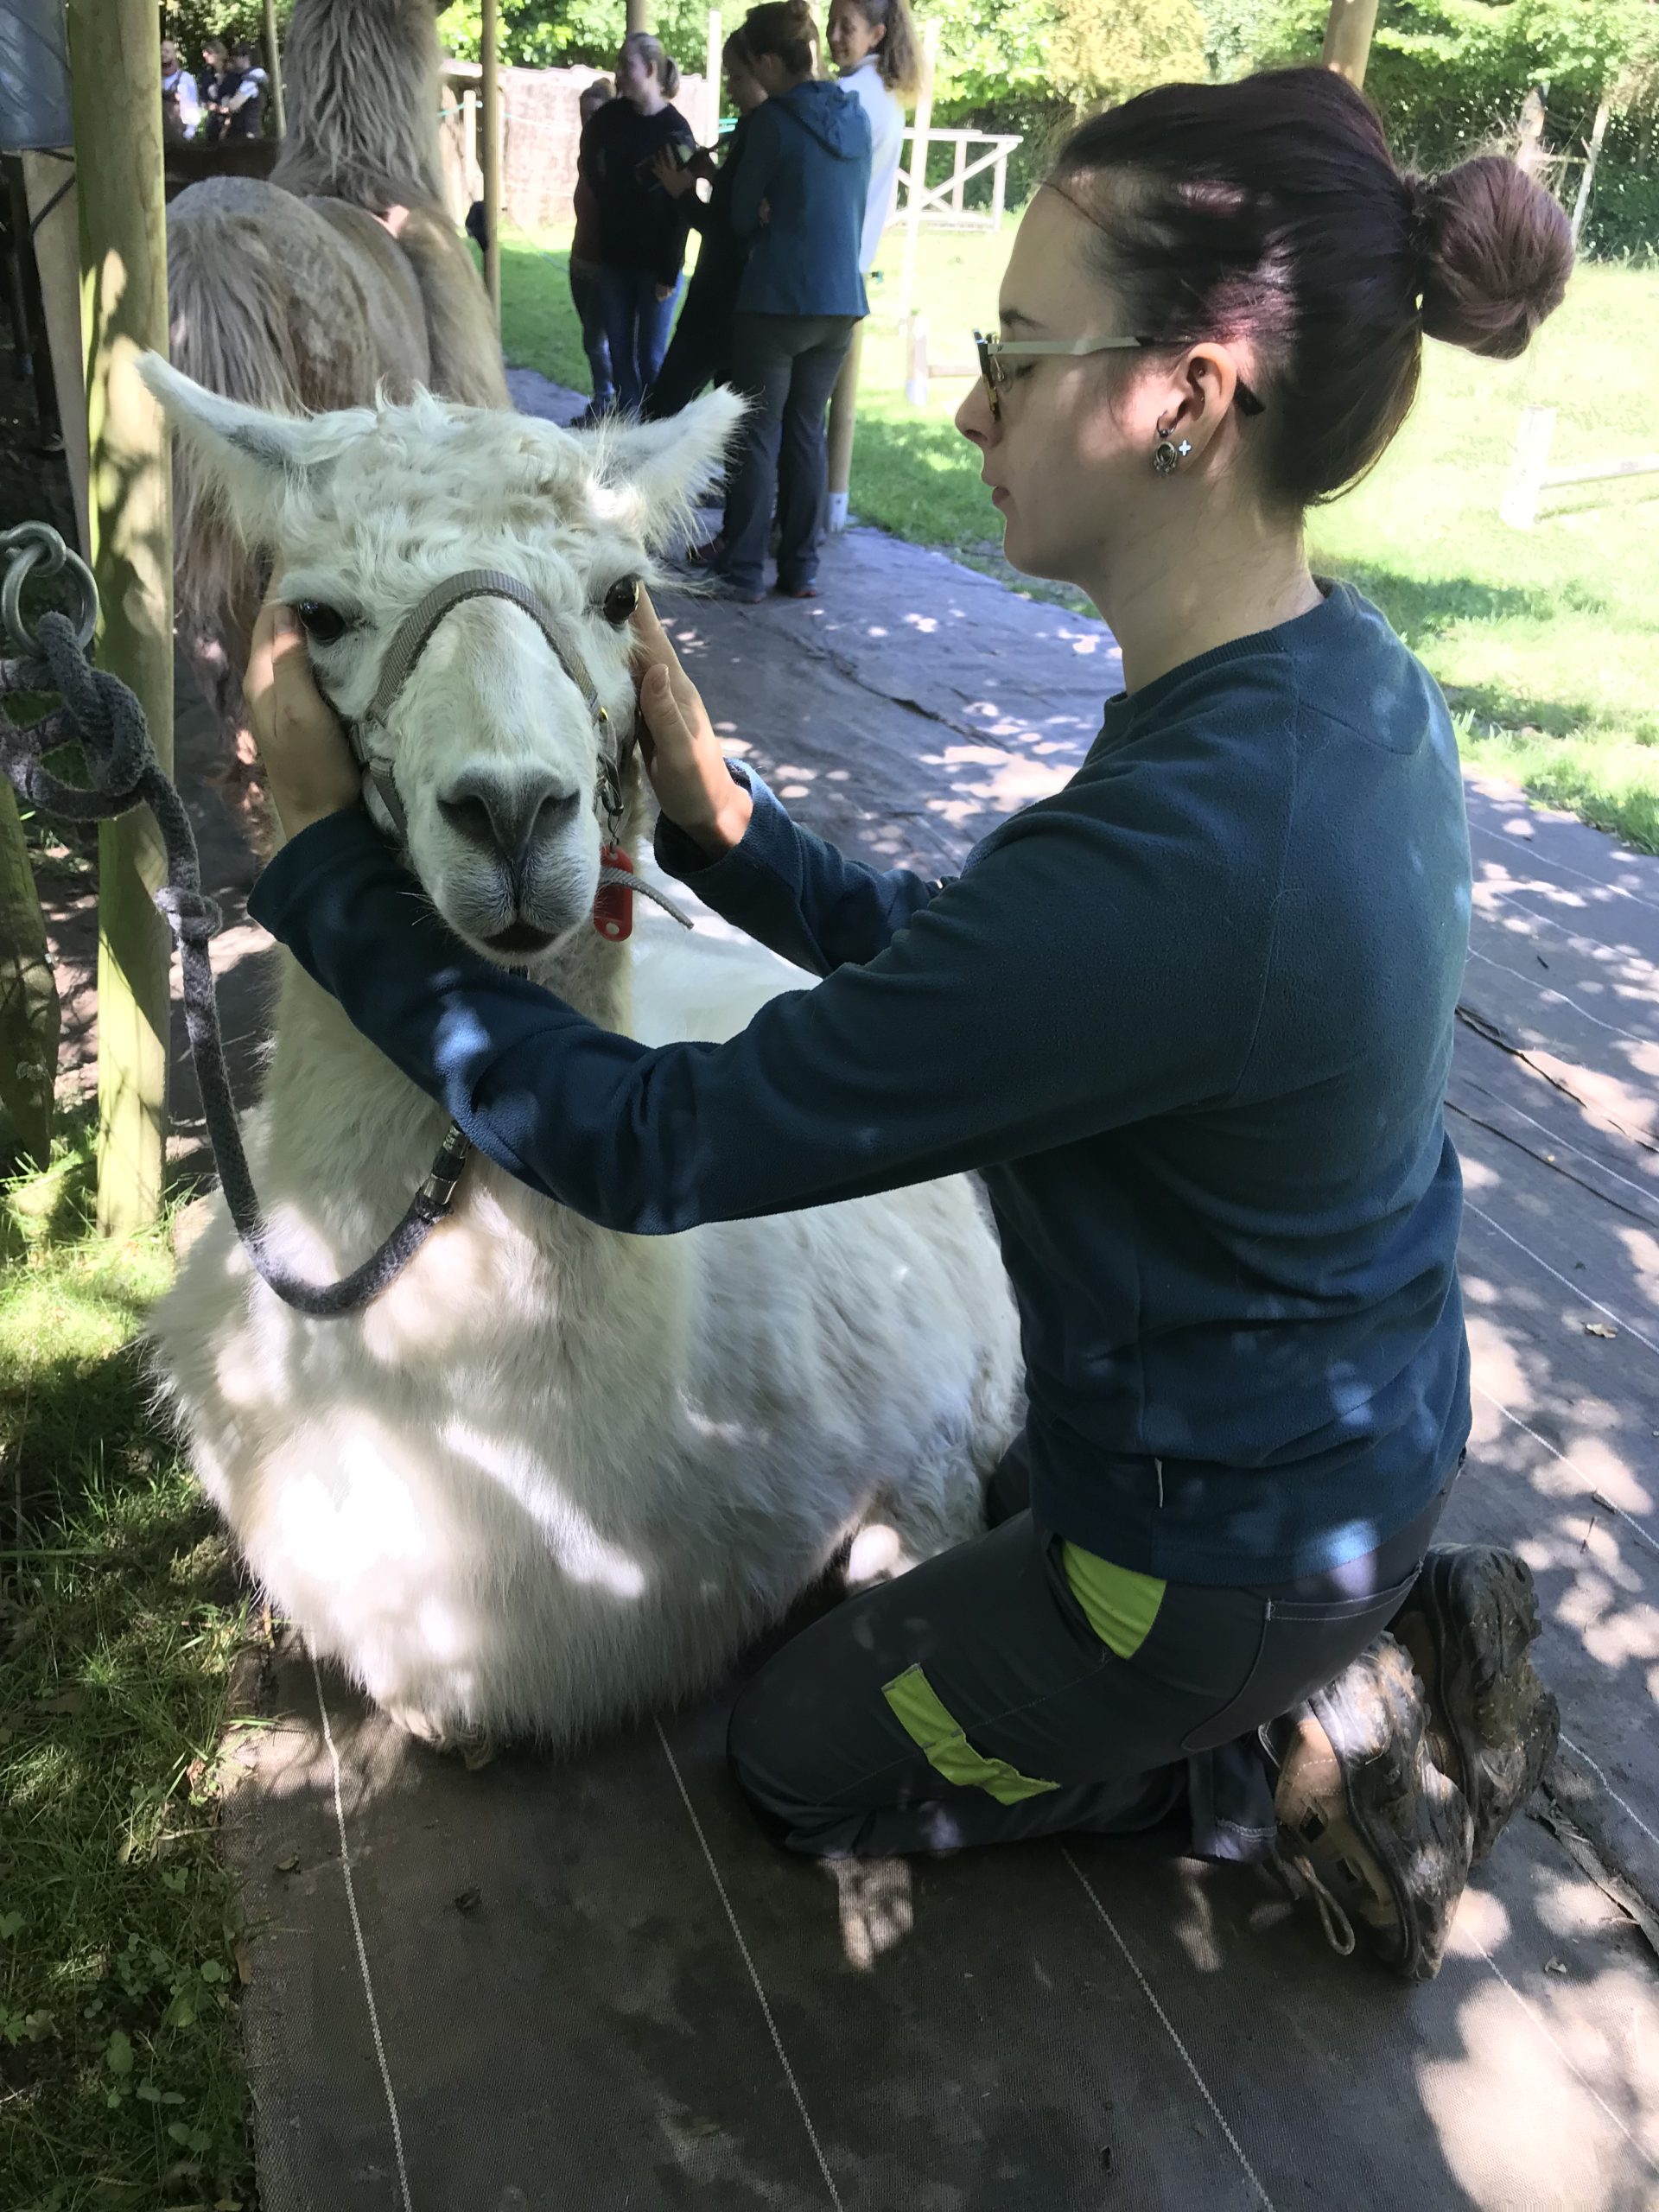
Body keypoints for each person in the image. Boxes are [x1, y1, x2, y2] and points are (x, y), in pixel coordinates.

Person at [238, 67, 1572, 1982]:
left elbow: (656, 1143)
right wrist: (725, 826)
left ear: (1187, 395)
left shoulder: (1188, 867)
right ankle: (1306, 1643)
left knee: (799, 1760)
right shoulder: (1329, 690)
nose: (964, 407)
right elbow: (993, 966)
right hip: (1329, 1419)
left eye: (1018, 356)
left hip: (1206, 1548)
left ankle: (1310, 1742)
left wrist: (315, 867)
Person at [711, 1, 871, 603]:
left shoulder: (775, 122)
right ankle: (800, 568)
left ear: (771, 62)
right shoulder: (856, 118)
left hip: (777, 299)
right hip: (840, 304)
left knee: (757, 432)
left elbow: (737, 217)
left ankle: (744, 570)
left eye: (753, 65)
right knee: (807, 430)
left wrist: (760, 216)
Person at [640, 40, 769, 425]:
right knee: (734, 416)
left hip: (722, 295)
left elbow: (730, 229)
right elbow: (734, 207)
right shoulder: (754, 128)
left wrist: (680, 191)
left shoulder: (765, 133)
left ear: (765, 70)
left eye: (737, 76)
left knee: (665, 407)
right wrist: (711, 175)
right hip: (739, 295)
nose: (730, 86)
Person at [579, 35, 696, 416]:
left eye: (625, 65)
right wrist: (609, 196)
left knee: (650, 359)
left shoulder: (675, 129)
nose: (617, 72)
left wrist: (669, 271)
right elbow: (586, 160)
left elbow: (684, 207)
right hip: (614, 260)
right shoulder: (609, 119)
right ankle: (629, 436)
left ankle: (659, 433)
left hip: (656, 266)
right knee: (619, 353)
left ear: (648, 69)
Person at [828, 0, 921, 281]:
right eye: (830, 23)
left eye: (847, 27)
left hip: (827, 263)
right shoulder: (887, 92)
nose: (833, 36)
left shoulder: (847, 96)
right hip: (857, 262)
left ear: (876, 35)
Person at [567, 78, 618, 427]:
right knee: (592, 341)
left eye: (594, 114)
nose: (588, 121)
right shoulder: (585, 156)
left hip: (605, 265)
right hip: (579, 259)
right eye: (584, 114)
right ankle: (606, 400)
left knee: (597, 341)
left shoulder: (615, 155)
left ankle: (607, 402)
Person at [221, 42, 270, 142]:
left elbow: (233, 105)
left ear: (246, 57)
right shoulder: (245, 77)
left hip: (249, 132)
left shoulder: (254, 76)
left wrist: (230, 102)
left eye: (237, 55)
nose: (234, 58)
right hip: (243, 132)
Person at [161, 40, 201, 143]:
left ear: (174, 55)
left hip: (180, 137)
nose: (163, 54)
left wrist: (189, 134)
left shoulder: (185, 78)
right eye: (161, 51)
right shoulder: (155, 79)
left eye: (167, 51)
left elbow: (192, 106)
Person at [200, 38, 231, 145]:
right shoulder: (206, 75)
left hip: (234, 125)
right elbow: (202, 99)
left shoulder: (232, 74)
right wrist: (210, 106)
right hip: (213, 124)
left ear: (218, 54)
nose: (204, 55)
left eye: (208, 52)